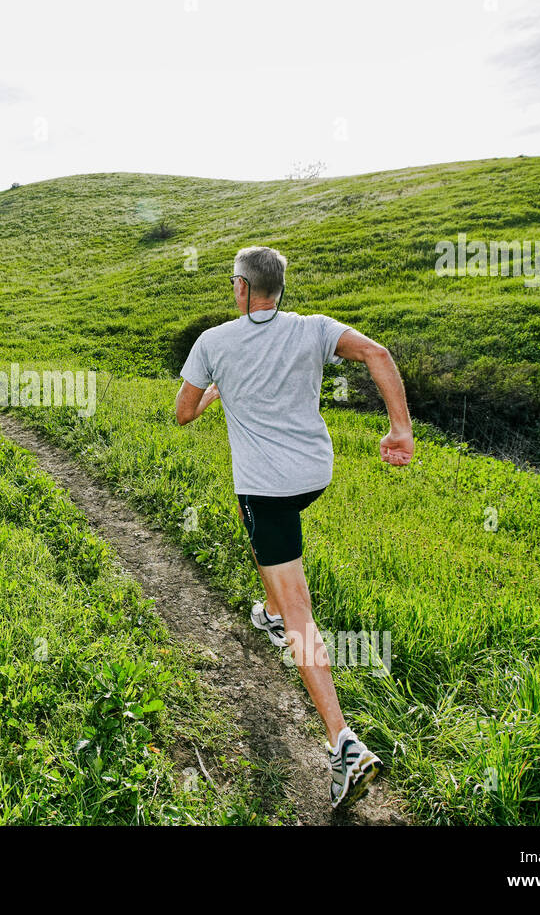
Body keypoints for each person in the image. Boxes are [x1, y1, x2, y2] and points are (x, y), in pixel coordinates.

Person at [175, 245, 414, 809]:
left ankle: (343, 743)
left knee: (297, 599)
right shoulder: (313, 329)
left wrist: (214, 389)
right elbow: (378, 354)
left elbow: (183, 413)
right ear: (278, 289)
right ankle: (272, 611)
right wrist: (400, 430)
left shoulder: (214, 343)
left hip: (271, 489)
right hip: (314, 474)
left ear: (240, 288)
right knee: (250, 512)